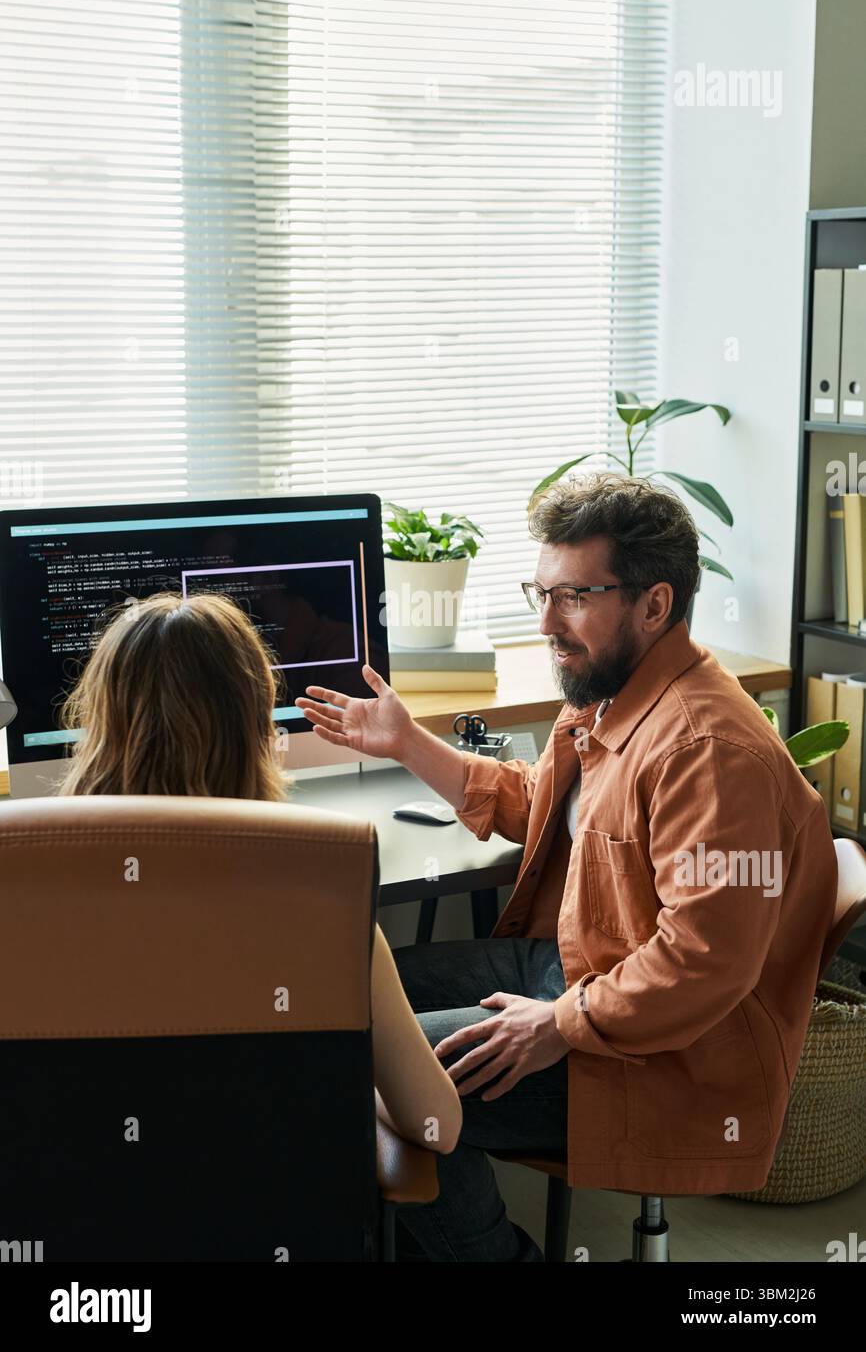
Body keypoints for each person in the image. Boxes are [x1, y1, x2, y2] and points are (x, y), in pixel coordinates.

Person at [295, 469, 838, 1263]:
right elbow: (538, 805)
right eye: (540, 593)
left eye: (574, 597)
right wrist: (406, 742)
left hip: (660, 1051)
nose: (547, 622)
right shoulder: (608, 692)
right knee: (338, 1003)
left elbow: (705, 959)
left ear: (655, 603)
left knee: (369, 1077)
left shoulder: (708, 751)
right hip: (578, 971)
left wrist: (557, 1024)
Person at [55, 590, 463, 1171]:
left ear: (98, 719)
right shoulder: (322, 898)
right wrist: (358, 1080)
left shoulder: (28, 896)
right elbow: (438, 1127)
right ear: (254, 725)